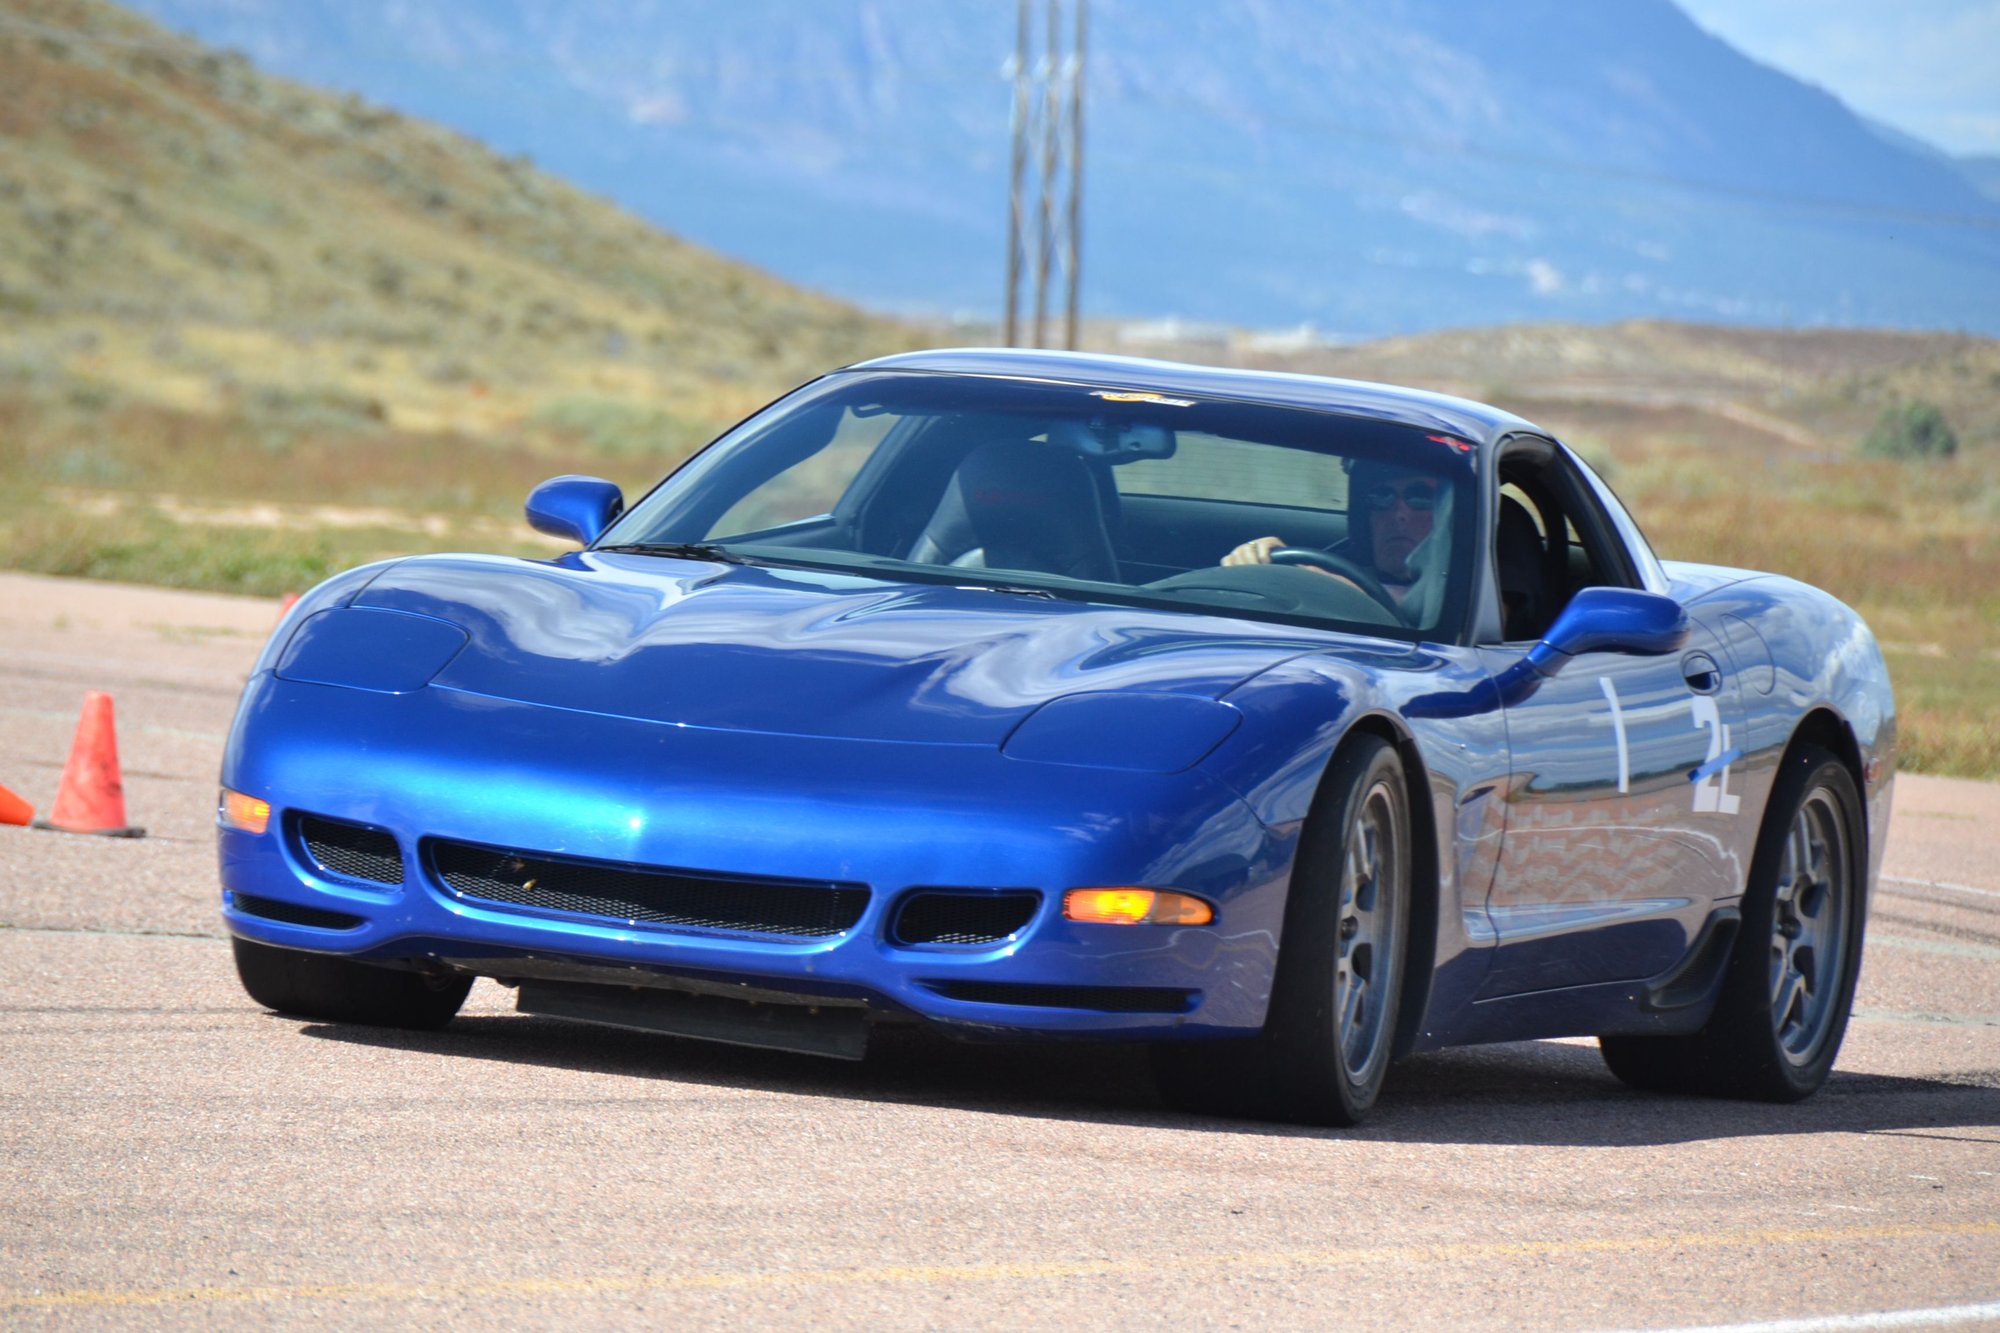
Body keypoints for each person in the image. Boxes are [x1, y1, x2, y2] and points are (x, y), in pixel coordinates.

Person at [1219, 461, 1439, 606]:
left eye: (1420, 498)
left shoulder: (1463, 594)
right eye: (1382, 498)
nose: (1398, 514)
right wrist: (1255, 563)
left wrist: (1351, 596)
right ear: (1366, 515)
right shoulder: (1335, 569)